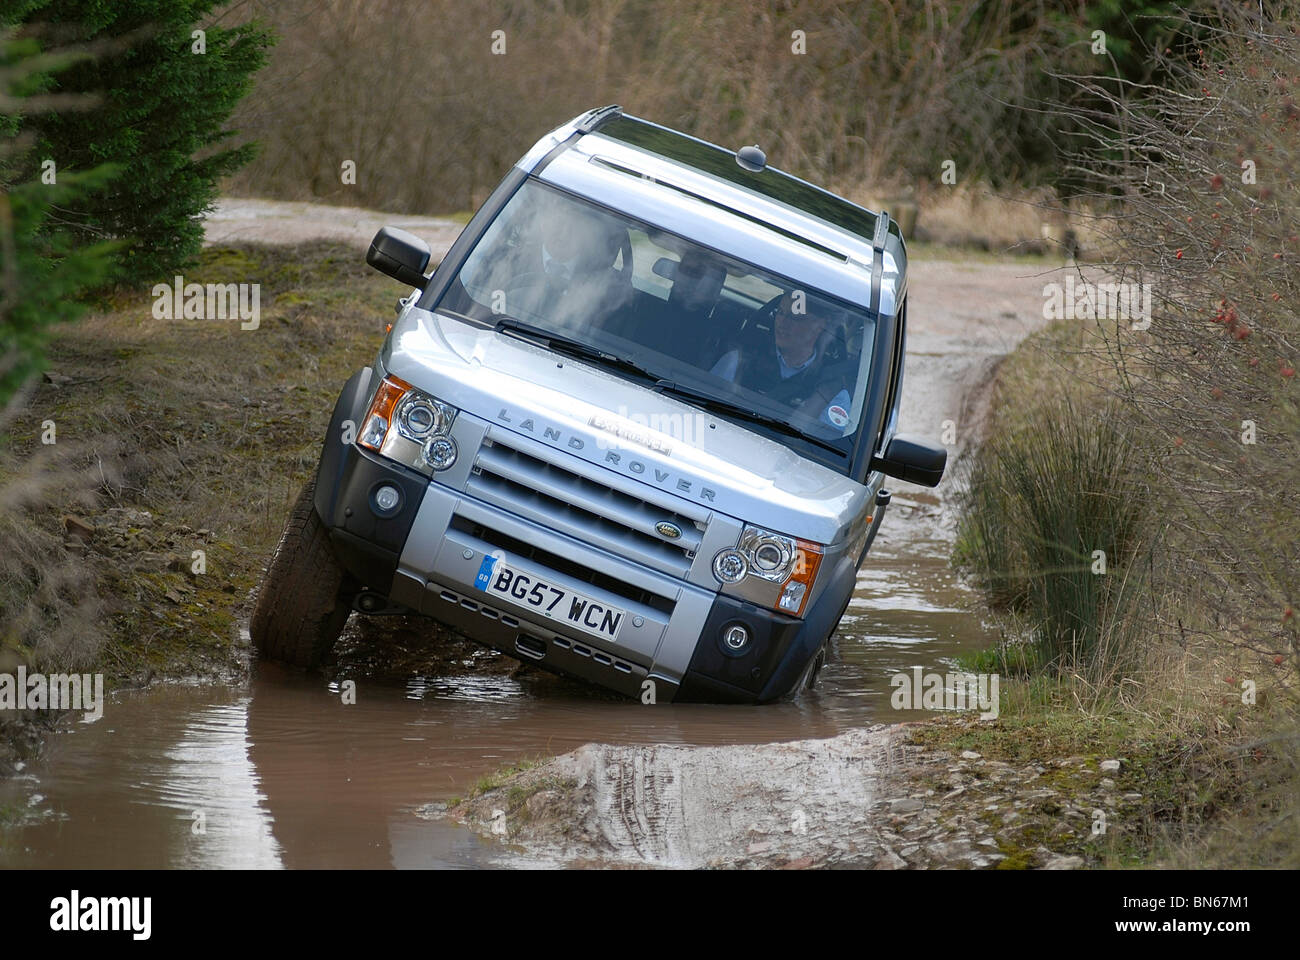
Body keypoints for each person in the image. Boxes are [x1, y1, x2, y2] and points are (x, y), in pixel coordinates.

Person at [710, 290, 855, 432]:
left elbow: (823, 447)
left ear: (820, 325)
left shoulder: (832, 389)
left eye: (795, 317)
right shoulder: (739, 360)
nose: (782, 323)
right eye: (780, 313)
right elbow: (706, 410)